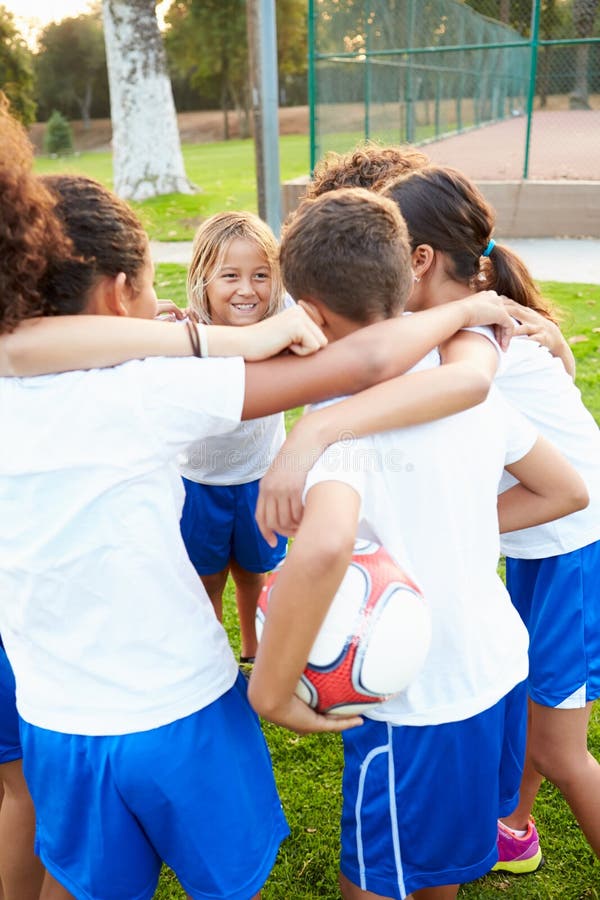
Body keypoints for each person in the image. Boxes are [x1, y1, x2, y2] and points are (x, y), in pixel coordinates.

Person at [0, 98, 518, 900]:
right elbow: (368, 359)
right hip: (180, 709)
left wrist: (200, 337)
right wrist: (474, 311)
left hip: (57, 720)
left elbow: (27, 348)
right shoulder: (146, 391)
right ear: (115, 292)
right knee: (228, 881)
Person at [247, 187, 588, 900]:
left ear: (307, 314)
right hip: (497, 671)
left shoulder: (340, 424)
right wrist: (456, 525)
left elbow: (322, 548)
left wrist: (271, 688)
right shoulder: (470, 387)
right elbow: (564, 491)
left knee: (379, 880)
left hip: (415, 701)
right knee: (443, 868)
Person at [179, 212, 289, 662]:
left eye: (260, 275)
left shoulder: (285, 319)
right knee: (205, 577)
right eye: (230, 276)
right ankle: (209, 657)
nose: (247, 289)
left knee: (253, 571)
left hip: (260, 477)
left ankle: (253, 648)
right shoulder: (185, 336)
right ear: (204, 281)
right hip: (197, 482)